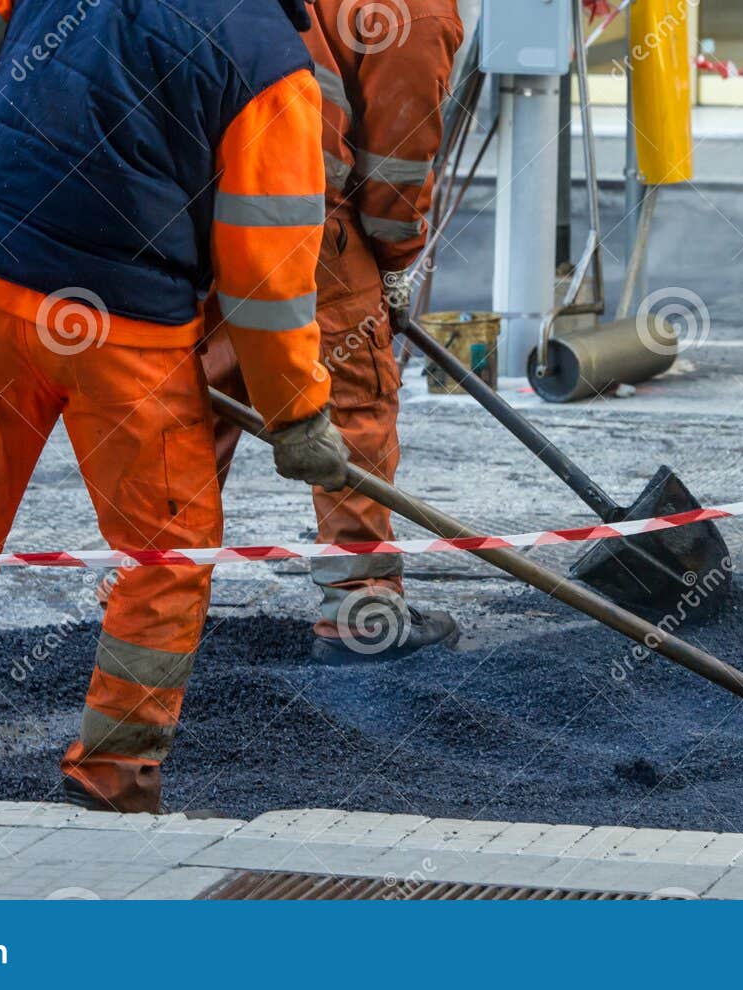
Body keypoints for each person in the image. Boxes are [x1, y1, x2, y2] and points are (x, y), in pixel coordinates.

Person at [0, 0, 348, 814]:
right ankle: (112, 781)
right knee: (167, 553)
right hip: (123, 329)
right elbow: (266, 276)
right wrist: (297, 412)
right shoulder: (270, 60)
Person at [202, 0, 465, 664]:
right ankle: (361, 614)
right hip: (298, 205)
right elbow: (399, 152)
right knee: (352, 401)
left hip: (185, 194)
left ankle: (151, 600)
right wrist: (396, 260)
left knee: (191, 397)